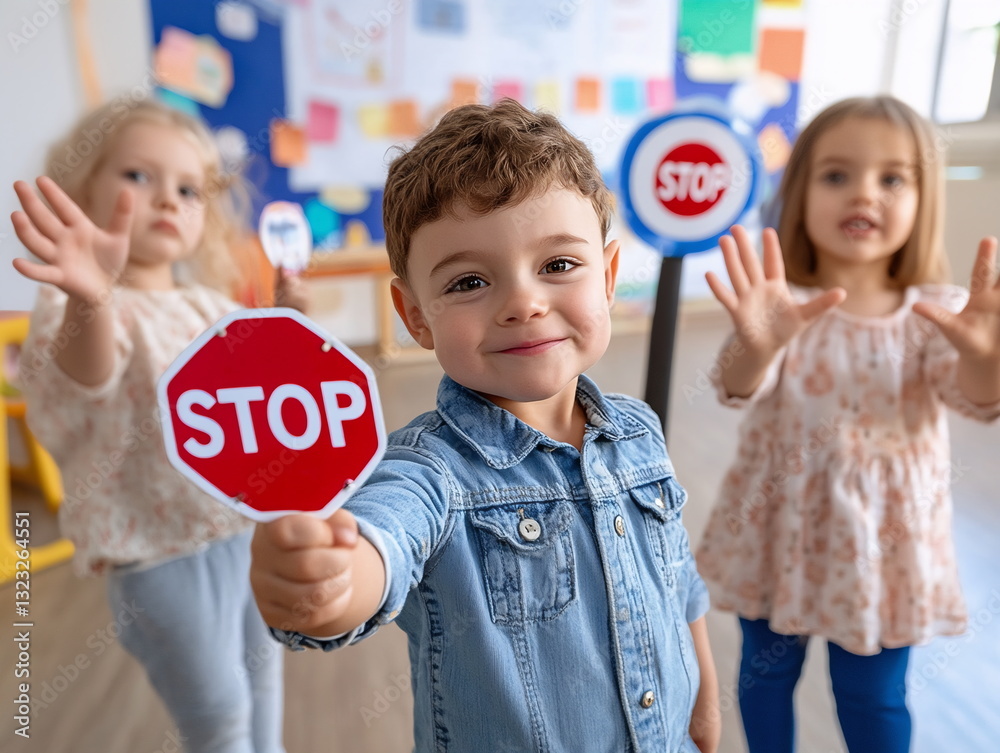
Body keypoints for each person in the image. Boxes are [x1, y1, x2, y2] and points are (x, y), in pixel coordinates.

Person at [249, 99, 721, 752]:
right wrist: (326, 580)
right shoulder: (429, 470)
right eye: (470, 280)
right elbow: (380, 541)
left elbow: (676, 580)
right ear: (415, 315)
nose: (524, 303)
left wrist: (703, 704)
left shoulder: (638, 431)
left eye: (558, 265)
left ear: (609, 277)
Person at [694, 95, 1000, 753]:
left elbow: (978, 398)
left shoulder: (937, 312)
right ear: (799, 191)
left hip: (888, 550)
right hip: (779, 531)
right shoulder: (782, 307)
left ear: (925, 197)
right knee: (765, 678)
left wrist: (986, 354)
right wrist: (759, 341)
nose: (865, 192)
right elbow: (737, 384)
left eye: (892, 177)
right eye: (837, 174)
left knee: (873, 695)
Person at [11, 99, 300, 753]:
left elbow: (262, 389)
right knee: (219, 710)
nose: (167, 199)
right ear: (82, 189)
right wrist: (92, 295)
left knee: (263, 682)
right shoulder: (76, 300)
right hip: (155, 549)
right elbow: (93, 374)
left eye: (188, 188)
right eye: (138, 177)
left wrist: (286, 319)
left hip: (238, 529)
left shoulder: (210, 304)